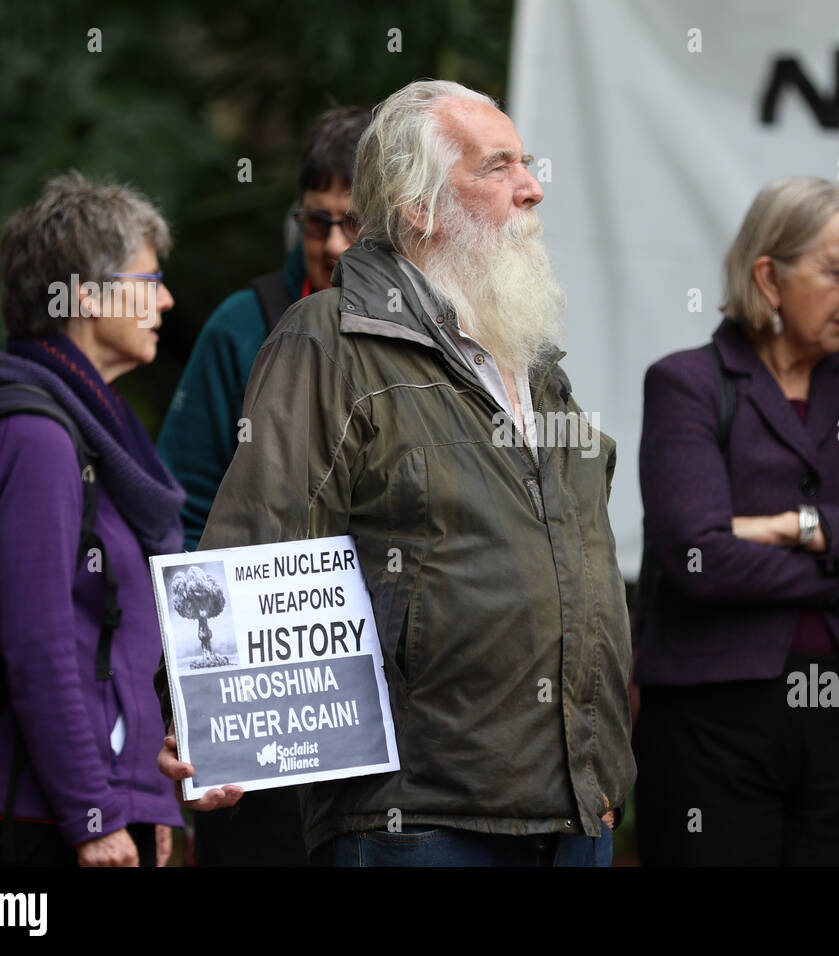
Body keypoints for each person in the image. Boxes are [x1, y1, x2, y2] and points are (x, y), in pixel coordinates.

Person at [157, 80, 634, 867]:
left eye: (528, 163)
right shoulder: (328, 341)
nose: (532, 185)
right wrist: (208, 716)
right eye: (499, 166)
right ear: (419, 206)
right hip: (422, 818)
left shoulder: (533, 359)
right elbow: (260, 532)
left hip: (575, 806)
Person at [633, 176, 839, 866]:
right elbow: (699, 560)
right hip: (711, 723)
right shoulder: (687, 382)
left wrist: (796, 525)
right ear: (769, 277)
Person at [155, 104, 369, 867]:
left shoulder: (434, 338)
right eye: (317, 223)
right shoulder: (241, 327)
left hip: (382, 707)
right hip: (260, 695)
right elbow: (177, 513)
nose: (335, 246)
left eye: (353, 224)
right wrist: (201, 689)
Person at [0, 172, 185, 866]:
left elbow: (105, 639)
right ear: (87, 295)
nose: (167, 300)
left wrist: (146, 792)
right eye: (148, 282)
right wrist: (96, 816)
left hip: (104, 803)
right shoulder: (36, 436)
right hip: (56, 818)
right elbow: (42, 641)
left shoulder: (90, 431)